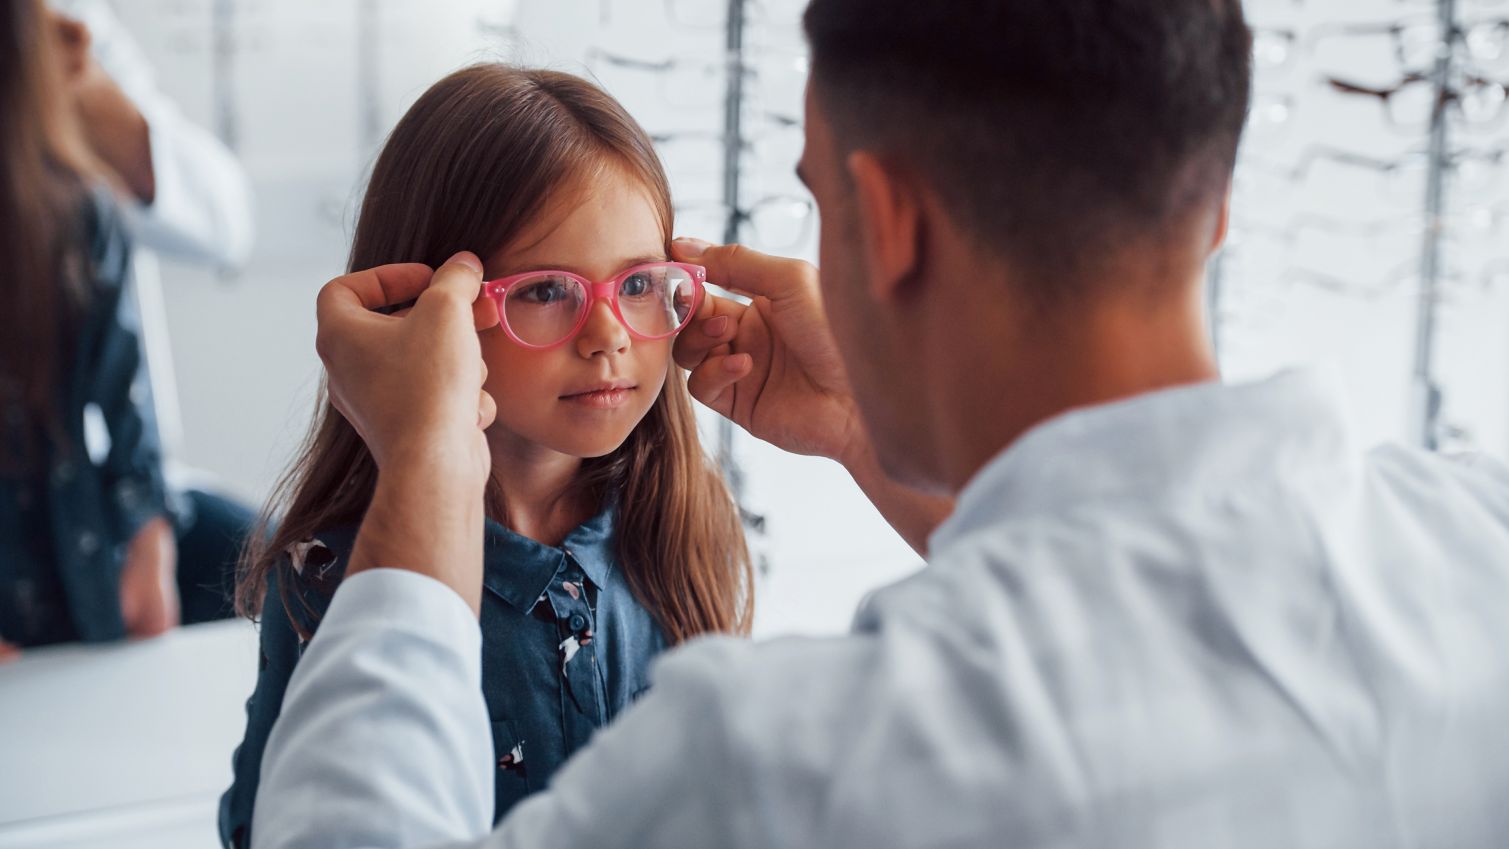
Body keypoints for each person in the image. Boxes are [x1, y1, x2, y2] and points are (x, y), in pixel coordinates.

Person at [255, 0, 1509, 846]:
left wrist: (422, 455)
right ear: (1216, 202)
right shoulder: (1478, 545)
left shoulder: (781, 771)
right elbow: (1138, 604)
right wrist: (865, 430)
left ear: (888, 222)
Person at [217, 65, 757, 849]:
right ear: (422, 315)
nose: (607, 335)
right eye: (546, 292)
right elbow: (267, 821)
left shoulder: (682, 520)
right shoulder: (338, 571)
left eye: (639, 282)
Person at [49, 0, 260, 628]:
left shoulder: (68, 33)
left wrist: (148, 532)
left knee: (313, 582)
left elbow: (228, 224)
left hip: (127, 496)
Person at [0, 0, 175, 656]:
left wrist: (149, 533)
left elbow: (128, 395)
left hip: (74, 558)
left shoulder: (84, 217)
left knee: (280, 556)